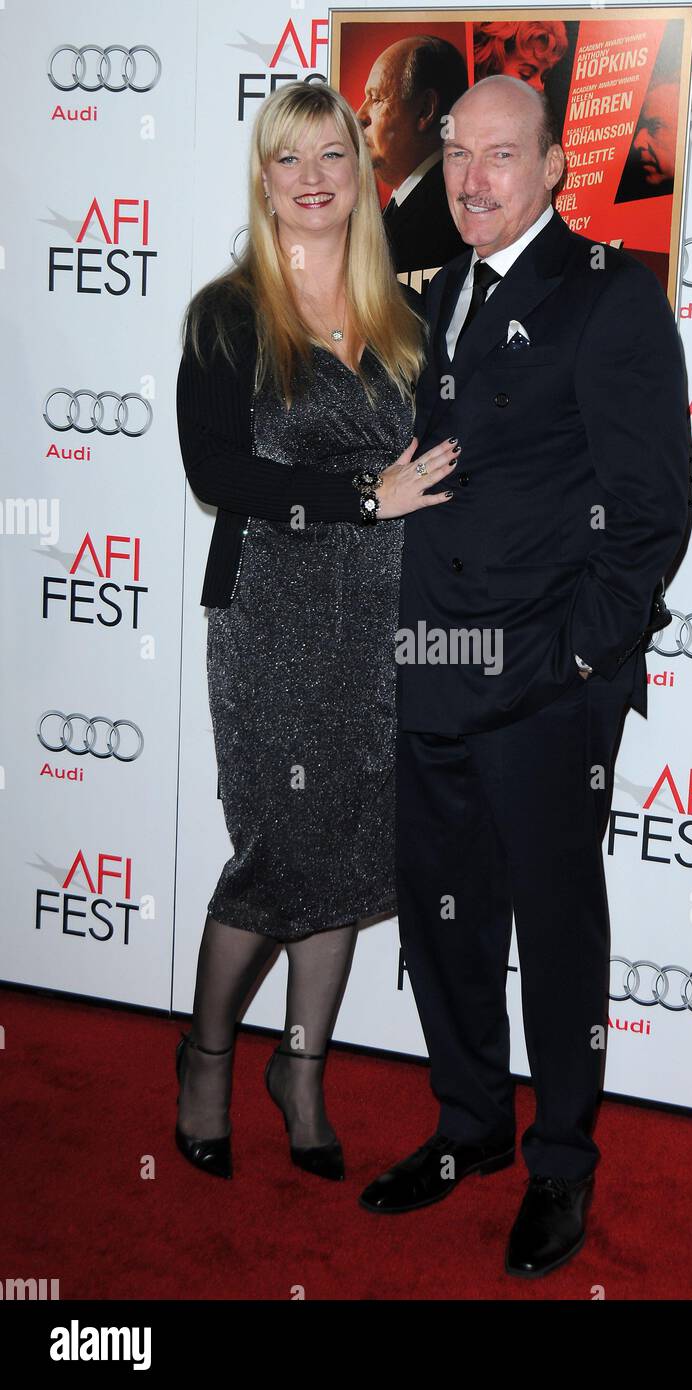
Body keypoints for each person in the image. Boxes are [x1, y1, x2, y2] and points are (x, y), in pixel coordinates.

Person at [358, 75, 690, 1277]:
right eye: (456, 152)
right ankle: (468, 1126)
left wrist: (578, 658)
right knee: (446, 918)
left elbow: (650, 513)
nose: (472, 177)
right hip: (431, 663)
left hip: (546, 685)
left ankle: (560, 1162)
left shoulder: (610, 298)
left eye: (502, 155)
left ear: (554, 167)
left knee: (553, 931)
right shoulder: (436, 290)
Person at [174, 81, 457, 1182]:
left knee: (345, 848)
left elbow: (437, 465)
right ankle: (206, 1059)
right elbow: (217, 473)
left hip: (379, 621)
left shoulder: (407, 316)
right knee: (276, 850)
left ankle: (300, 1066)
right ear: (264, 179)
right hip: (272, 616)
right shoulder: (228, 312)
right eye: (287, 160)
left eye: (331, 156)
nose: (311, 180)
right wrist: (357, 500)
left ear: (362, 171)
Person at [357, 35, 468, 275]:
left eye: (376, 99)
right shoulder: (405, 205)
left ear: (425, 110)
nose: (360, 116)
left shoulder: (444, 219)